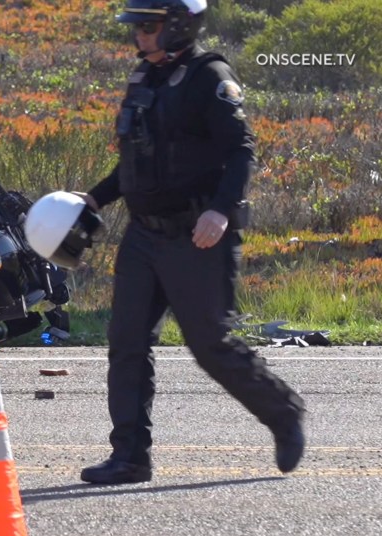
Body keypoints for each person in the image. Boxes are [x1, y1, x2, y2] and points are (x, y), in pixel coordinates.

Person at [75, 0, 306, 484]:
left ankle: (283, 412)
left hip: (195, 235)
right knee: (126, 342)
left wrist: (220, 210)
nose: (139, 34)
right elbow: (136, 163)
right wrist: (94, 199)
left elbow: (241, 149)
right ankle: (130, 457)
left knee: (210, 345)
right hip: (143, 236)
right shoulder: (144, 79)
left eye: (149, 25)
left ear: (179, 25)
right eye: (136, 25)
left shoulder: (209, 76)